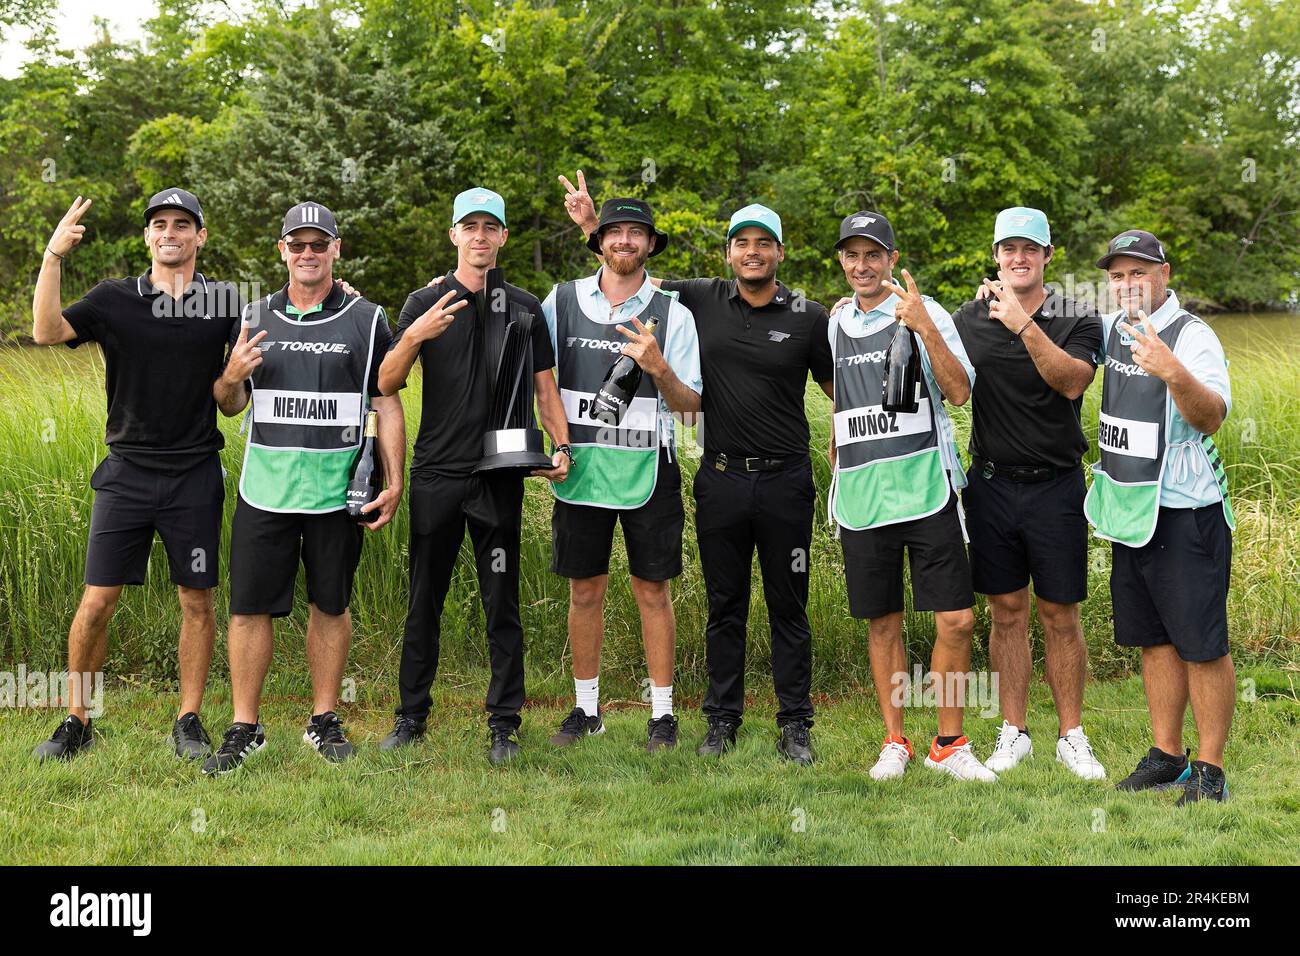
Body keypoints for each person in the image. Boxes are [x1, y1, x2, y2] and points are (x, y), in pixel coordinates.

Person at [562, 172, 833, 764]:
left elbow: (844, 391)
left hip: (787, 479)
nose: (753, 253)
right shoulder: (702, 298)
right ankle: (721, 721)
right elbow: (629, 270)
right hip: (722, 478)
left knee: (790, 605)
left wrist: (843, 445)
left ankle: (795, 725)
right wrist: (593, 226)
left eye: (764, 243)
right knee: (724, 604)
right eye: (742, 243)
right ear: (729, 252)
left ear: (780, 252)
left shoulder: (810, 317)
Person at [30, 189, 242, 763]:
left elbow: (231, 405)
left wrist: (234, 375)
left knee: (196, 600)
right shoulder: (113, 299)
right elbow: (47, 332)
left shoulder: (226, 303)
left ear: (200, 236)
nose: (169, 232)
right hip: (125, 473)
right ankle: (77, 718)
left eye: (182, 224)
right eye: (159, 225)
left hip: (195, 473)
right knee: (97, 601)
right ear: (147, 237)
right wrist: (53, 256)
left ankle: (189, 719)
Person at [205, 201, 404, 774]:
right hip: (264, 490)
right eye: (298, 244)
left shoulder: (368, 318)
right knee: (248, 610)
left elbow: (385, 399)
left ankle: (323, 721)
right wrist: (229, 377)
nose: (309, 254)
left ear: (336, 249)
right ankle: (246, 726)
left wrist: (393, 480)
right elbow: (229, 404)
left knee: (330, 605)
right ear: (282, 252)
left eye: (320, 244)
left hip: (337, 494)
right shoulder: (253, 314)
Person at [376, 188, 571, 765]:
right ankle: (411, 717)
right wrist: (414, 335)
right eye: (471, 226)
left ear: (504, 237)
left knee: (500, 600)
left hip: (500, 474)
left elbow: (545, 388)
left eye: (491, 227)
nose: (481, 236)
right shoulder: (424, 301)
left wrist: (562, 444)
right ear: (454, 234)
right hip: (437, 472)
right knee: (424, 599)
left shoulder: (526, 307)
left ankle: (505, 724)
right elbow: (386, 383)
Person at [827, 211, 993, 782]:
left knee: (957, 620)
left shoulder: (926, 312)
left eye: (873, 254)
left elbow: (960, 391)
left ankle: (948, 743)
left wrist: (923, 326)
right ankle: (895, 740)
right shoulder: (834, 323)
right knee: (883, 623)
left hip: (927, 490)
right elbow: (842, 398)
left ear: (892, 259)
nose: (862, 265)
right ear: (842, 262)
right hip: (863, 499)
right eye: (852, 254)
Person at [540, 198, 702, 752]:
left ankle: (663, 714)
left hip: (648, 471)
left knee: (652, 591)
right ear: (599, 241)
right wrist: (555, 445)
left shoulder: (672, 312)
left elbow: (690, 411)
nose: (625, 241)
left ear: (651, 245)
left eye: (637, 233)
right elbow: (541, 385)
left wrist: (659, 368)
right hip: (581, 470)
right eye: (615, 233)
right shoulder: (560, 301)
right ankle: (586, 709)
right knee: (584, 592)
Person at [952, 207, 1106, 780]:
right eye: (1007, 249)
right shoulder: (970, 316)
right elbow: (927, 342)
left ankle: (1072, 735)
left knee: (1060, 614)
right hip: (991, 485)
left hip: (1057, 486)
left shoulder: (1077, 317)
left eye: (1029, 249)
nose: (1018, 258)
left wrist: (1022, 322)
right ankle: (1013, 732)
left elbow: (1071, 381)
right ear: (995, 255)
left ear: (1047, 256)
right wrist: (853, 308)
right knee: (1007, 611)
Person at [1089, 230, 1236, 804]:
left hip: (1187, 513)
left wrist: (1172, 370)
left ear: (1164, 273)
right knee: (1154, 641)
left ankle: (1211, 770)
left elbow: (1212, 418)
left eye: (1138, 274)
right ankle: (1168, 754)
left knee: (1201, 645)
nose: (1128, 285)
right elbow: (1049, 319)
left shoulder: (1191, 335)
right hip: (1132, 512)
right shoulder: (1109, 329)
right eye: (1118, 276)